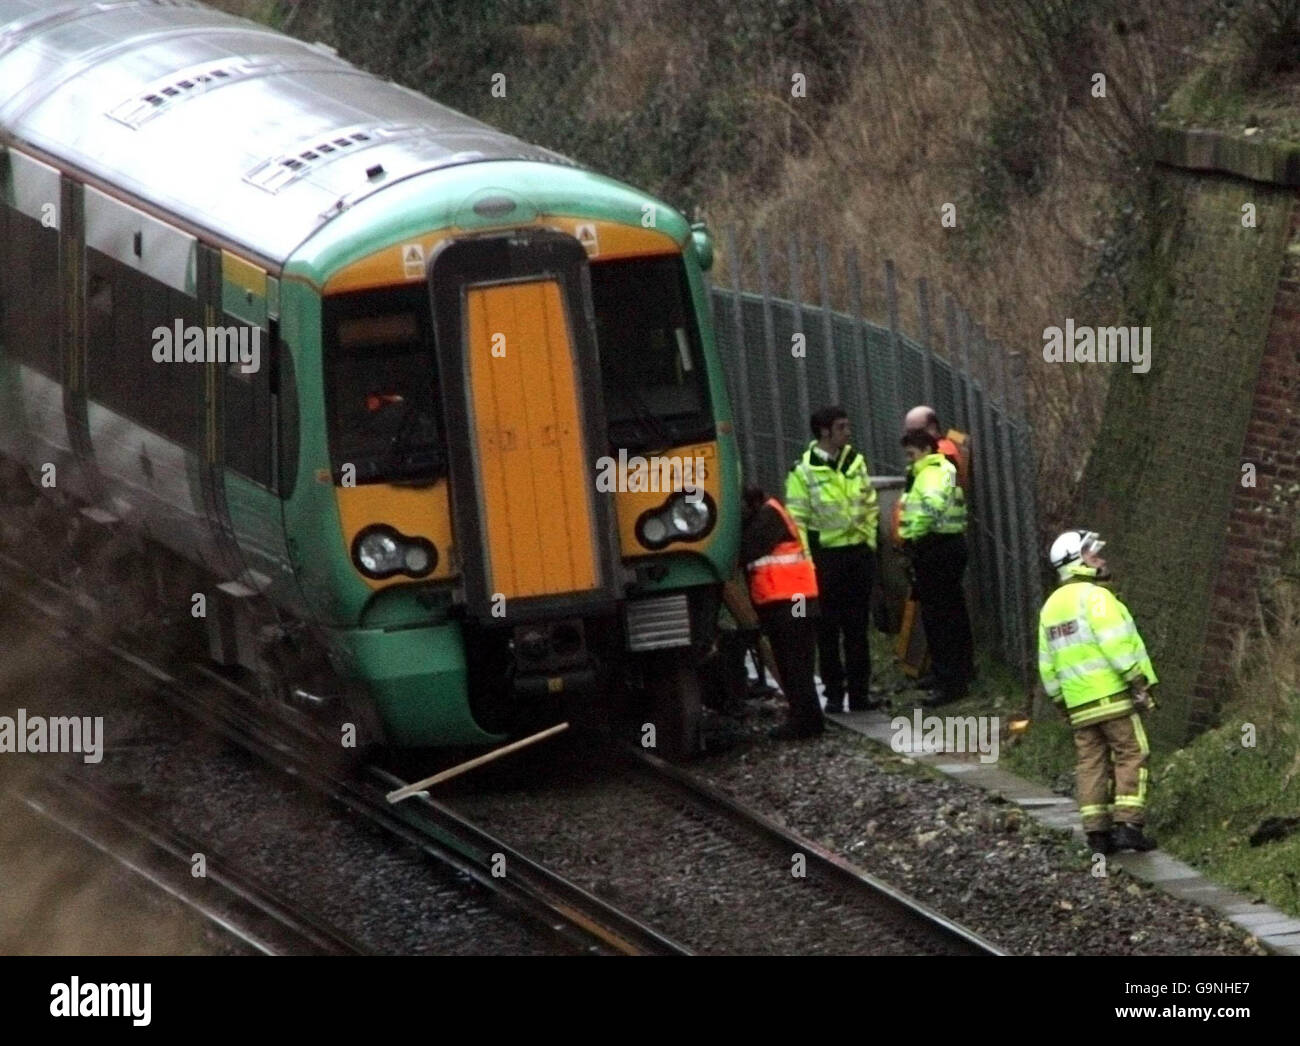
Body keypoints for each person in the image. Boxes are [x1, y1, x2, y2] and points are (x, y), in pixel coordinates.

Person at [1038, 529, 1158, 855]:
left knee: (1091, 763)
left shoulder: (1050, 608)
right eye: (1093, 555)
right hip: (1113, 696)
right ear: (1077, 561)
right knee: (1132, 752)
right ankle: (1129, 825)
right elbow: (1115, 643)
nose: (1100, 559)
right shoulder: (1096, 597)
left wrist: (1062, 703)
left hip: (1078, 706)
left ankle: (1097, 835)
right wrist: (1137, 680)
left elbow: (1047, 666)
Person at [785, 406, 881, 714]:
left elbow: (869, 503)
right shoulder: (804, 471)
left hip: (856, 556)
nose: (848, 432)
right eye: (842, 427)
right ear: (825, 431)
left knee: (857, 629)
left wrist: (867, 542)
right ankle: (835, 695)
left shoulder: (855, 462)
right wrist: (808, 562)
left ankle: (860, 695)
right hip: (825, 560)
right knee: (827, 630)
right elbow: (797, 520)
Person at [740, 485, 824, 739]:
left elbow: (745, 551)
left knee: (795, 660)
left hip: (793, 601)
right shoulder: (770, 512)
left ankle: (805, 722)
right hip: (791, 600)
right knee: (795, 660)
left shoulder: (768, 516)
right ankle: (807, 719)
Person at [897, 428, 974, 706]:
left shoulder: (932, 472)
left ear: (926, 451)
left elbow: (930, 509)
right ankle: (947, 673)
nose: (909, 460)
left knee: (942, 617)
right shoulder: (934, 470)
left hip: (936, 548)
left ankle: (951, 680)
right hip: (940, 547)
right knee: (942, 614)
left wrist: (911, 535)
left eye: (912, 454)